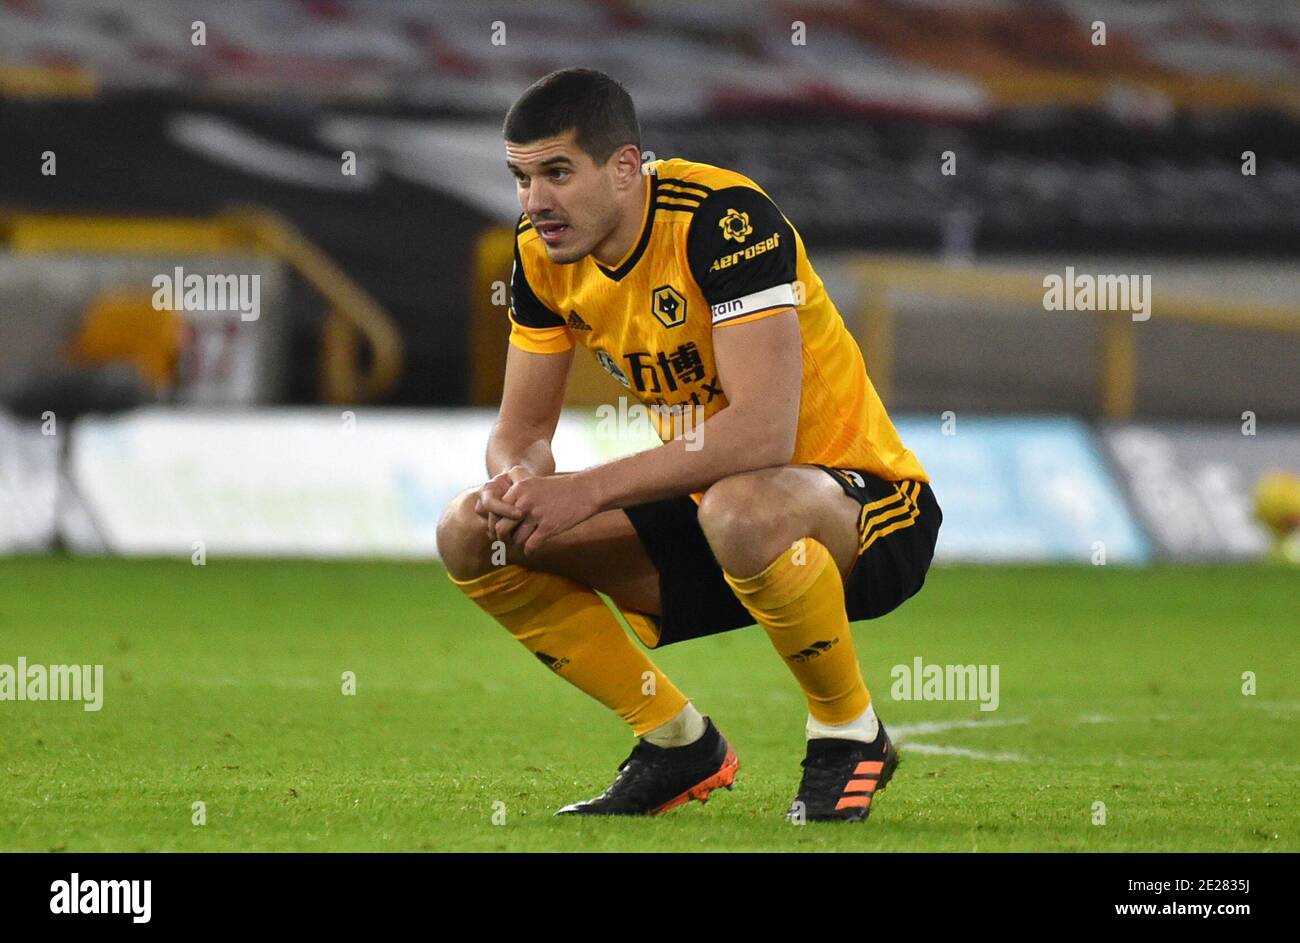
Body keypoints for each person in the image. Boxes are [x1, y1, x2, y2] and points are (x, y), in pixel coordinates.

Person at [436, 68, 941, 822]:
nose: (535, 200)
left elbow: (760, 431)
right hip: (716, 513)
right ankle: (676, 742)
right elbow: (521, 433)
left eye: (556, 173)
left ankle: (847, 731)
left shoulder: (724, 221)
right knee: (472, 533)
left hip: (863, 510)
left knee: (743, 507)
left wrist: (586, 488)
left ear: (625, 167)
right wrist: (516, 482)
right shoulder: (542, 251)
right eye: (521, 177)